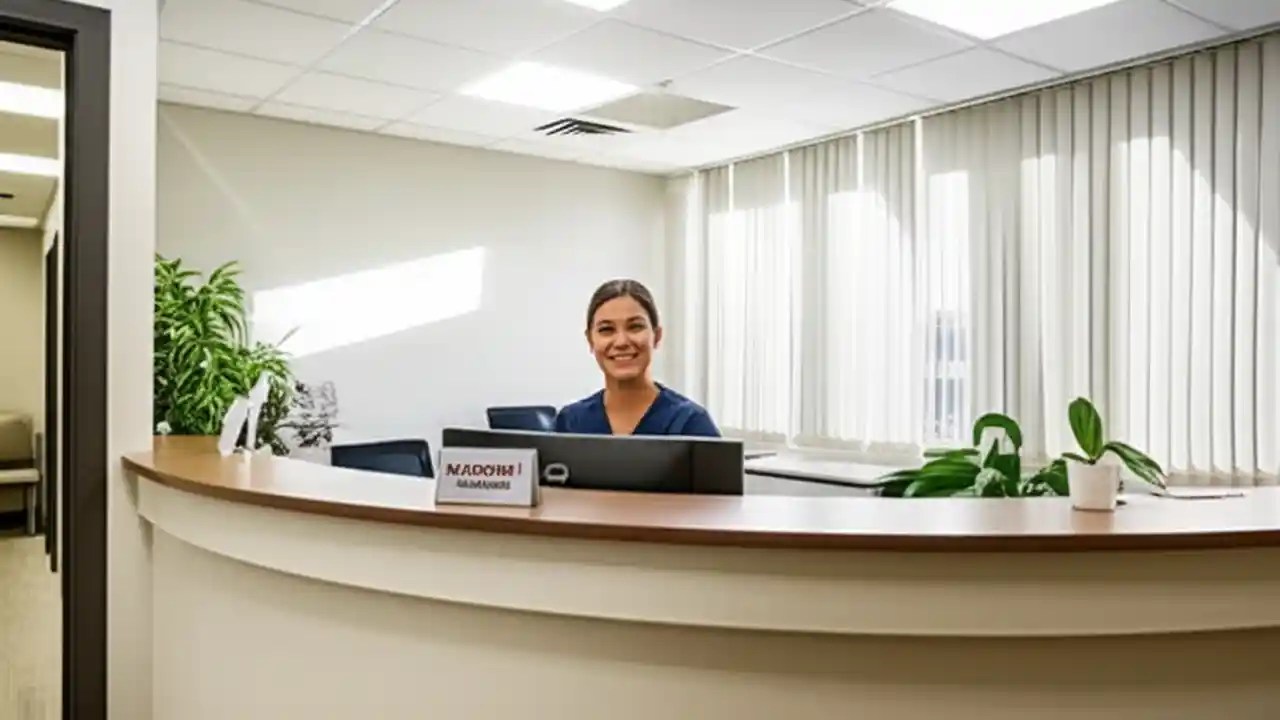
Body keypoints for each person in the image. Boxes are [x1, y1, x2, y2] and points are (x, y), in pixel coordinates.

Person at [555, 279, 720, 437]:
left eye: (635, 327)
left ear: (656, 336)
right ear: (590, 340)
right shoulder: (570, 422)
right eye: (606, 329)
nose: (621, 342)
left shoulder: (690, 423)